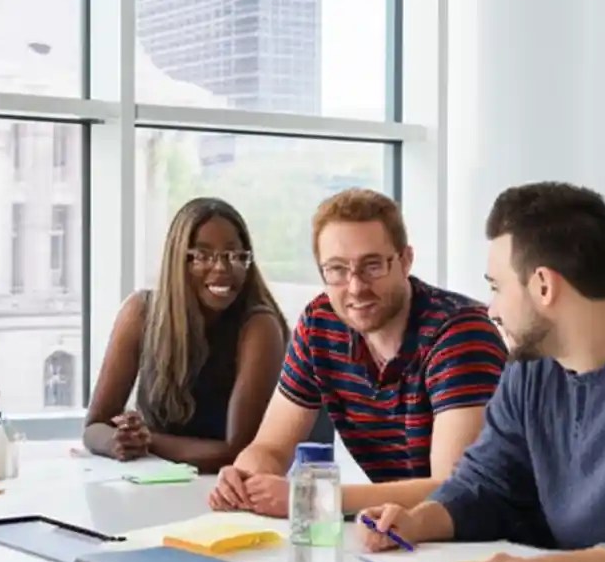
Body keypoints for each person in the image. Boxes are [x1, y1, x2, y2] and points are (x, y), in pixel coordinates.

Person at [360, 182, 605, 562]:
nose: (491, 308)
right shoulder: (531, 366)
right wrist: (417, 522)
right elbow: (486, 484)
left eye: (496, 286)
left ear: (543, 285)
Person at [210, 188, 507, 516]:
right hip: (396, 530)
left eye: (372, 266)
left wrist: (313, 499)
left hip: (485, 537)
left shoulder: (460, 333)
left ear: (405, 260)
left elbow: (453, 488)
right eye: (337, 269)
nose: (355, 287)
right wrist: (245, 479)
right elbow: (270, 447)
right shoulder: (320, 323)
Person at [84, 197, 288, 473]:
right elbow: (94, 426)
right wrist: (117, 440)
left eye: (234, 255)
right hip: (155, 482)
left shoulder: (260, 326)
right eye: (203, 256)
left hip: (224, 488)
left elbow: (238, 451)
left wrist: (148, 441)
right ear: (178, 260)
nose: (221, 268)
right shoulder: (141, 312)